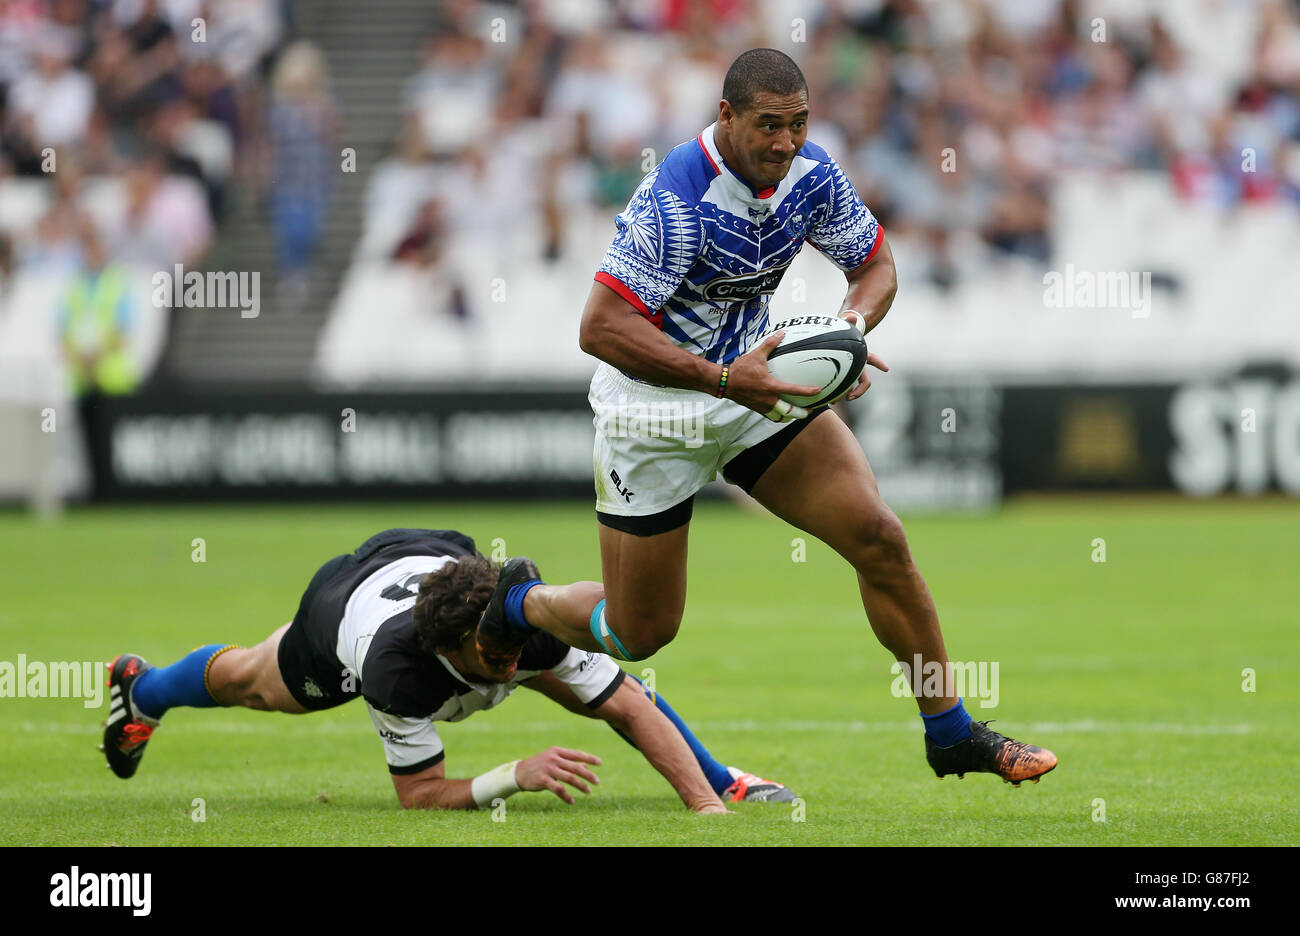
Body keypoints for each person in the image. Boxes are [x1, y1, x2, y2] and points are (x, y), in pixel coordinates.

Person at [477, 49, 1057, 787]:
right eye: (769, 125)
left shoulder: (812, 176)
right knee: (638, 633)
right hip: (654, 413)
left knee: (879, 537)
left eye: (799, 123)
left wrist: (848, 333)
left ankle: (950, 732)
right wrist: (722, 377)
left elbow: (877, 266)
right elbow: (601, 328)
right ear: (727, 117)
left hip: (757, 385)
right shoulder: (674, 202)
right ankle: (523, 601)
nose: (786, 142)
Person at [101, 528, 792, 811]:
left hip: (433, 556)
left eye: (512, 647)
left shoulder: (521, 634)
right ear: (447, 652)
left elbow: (629, 704)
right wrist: (511, 777)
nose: (512, 663)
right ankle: (143, 690)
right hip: (343, 604)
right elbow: (420, 794)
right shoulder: (396, 672)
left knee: (601, 693)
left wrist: (705, 809)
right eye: (493, 658)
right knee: (253, 684)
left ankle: (725, 779)